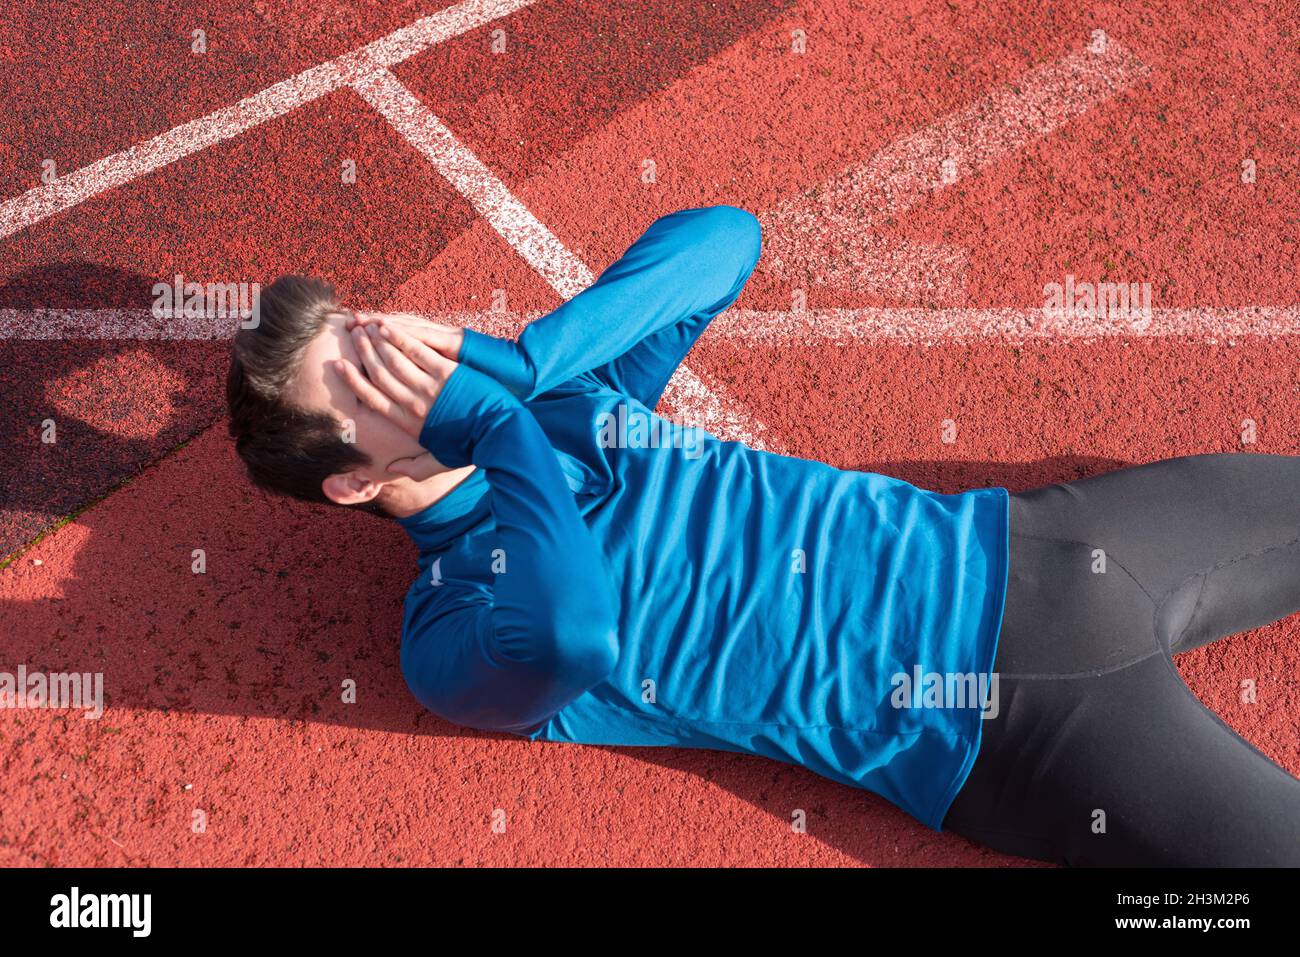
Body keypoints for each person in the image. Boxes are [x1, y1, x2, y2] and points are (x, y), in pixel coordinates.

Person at [225, 204, 1300, 866]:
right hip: (1016, 730)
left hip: (1035, 544)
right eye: (366, 377)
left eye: (374, 331)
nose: (404, 356)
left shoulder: (555, 397)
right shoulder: (450, 629)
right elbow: (572, 635)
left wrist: (527, 361)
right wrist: (498, 423)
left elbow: (721, 240)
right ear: (355, 486)